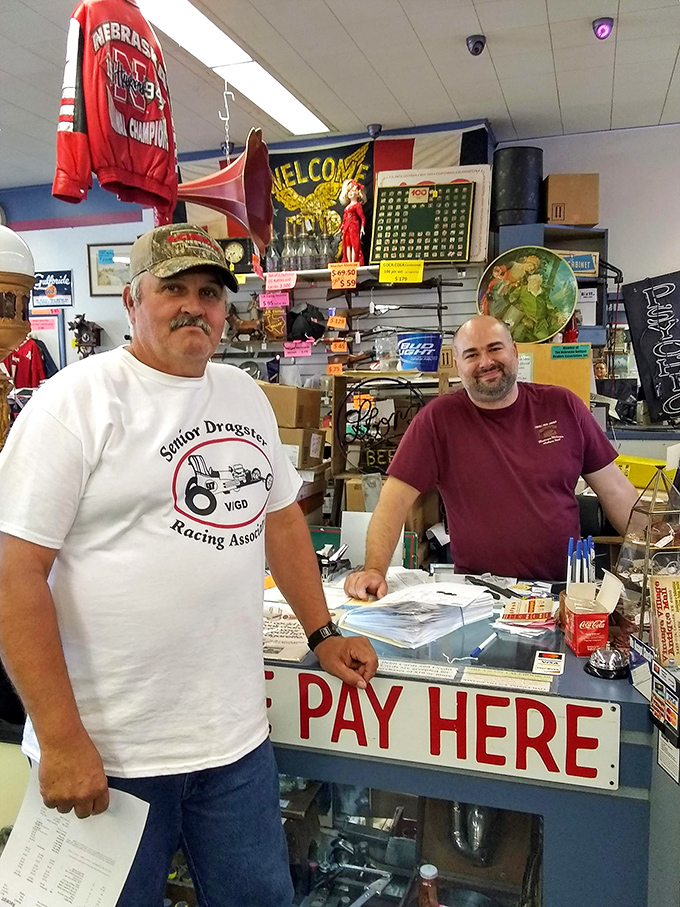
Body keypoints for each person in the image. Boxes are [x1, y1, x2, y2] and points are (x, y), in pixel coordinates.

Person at [0, 223, 377, 907]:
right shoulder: (74, 403)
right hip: (107, 756)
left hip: (233, 748)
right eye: (173, 288)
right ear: (132, 301)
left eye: (209, 293)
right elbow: (12, 575)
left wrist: (323, 632)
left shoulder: (242, 395)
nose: (194, 306)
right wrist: (60, 739)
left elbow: (281, 518)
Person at [346, 315, 639, 598]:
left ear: (514, 351)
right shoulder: (437, 421)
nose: (485, 362)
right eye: (472, 354)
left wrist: (660, 550)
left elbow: (616, 491)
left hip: (564, 592)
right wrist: (374, 569)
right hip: (480, 596)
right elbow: (392, 502)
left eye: (495, 348)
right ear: (458, 365)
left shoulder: (563, 405)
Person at [338, 179, 367, 265]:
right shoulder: (347, 207)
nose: (350, 193)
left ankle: (354, 261)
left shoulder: (357, 205)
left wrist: (362, 228)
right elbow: (344, 220)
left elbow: (362, 217)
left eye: (353, 191)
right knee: (347, 245)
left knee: (354, 244)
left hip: (354, 226)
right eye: (349, 191)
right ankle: (349, 262)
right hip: (347, 227)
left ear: (357, 193)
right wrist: (340, 229)